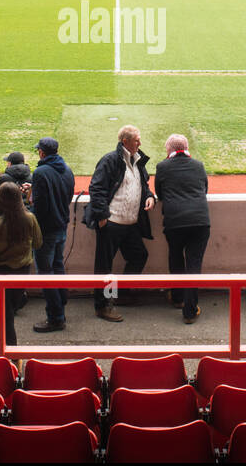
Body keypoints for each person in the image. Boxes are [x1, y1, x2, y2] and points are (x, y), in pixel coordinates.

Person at [85, 125, 155, 322]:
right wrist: (102, 217)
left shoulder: (137, 161)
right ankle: (103, 305)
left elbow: (143, 186)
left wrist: (150, 197)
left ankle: (121, 293)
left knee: (139, 256)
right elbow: (96, 188)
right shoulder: (110, 160)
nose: (140, 143)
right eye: (136, 140)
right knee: (104, 267)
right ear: (125, 142)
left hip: (130, 223)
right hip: (112, 223)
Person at [153, 134, 209, 325]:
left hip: (174, 222)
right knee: (194, 266)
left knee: (175, 258)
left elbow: (160, 193)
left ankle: (177, 298)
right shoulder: (199, 165)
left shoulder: (162, 167)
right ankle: (190, 311)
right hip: (200, 222)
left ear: (169, 149)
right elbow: (204, 189)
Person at [0, 181, 43, 346]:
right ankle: (4, 354)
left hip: (1, 273)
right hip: (23, 272)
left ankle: (8, 356)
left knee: (5, 317)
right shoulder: (30, 218)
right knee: (7, 315)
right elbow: (38, 244)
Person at [29, 137, 75, 333]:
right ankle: (60, 306)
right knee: (58, 267)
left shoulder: (40, 173)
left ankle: (56, 317)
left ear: (41, 152)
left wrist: (29, 203)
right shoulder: (67, 170)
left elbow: (40, 206)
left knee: (45, 274)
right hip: (61, 227)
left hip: (46, 231)